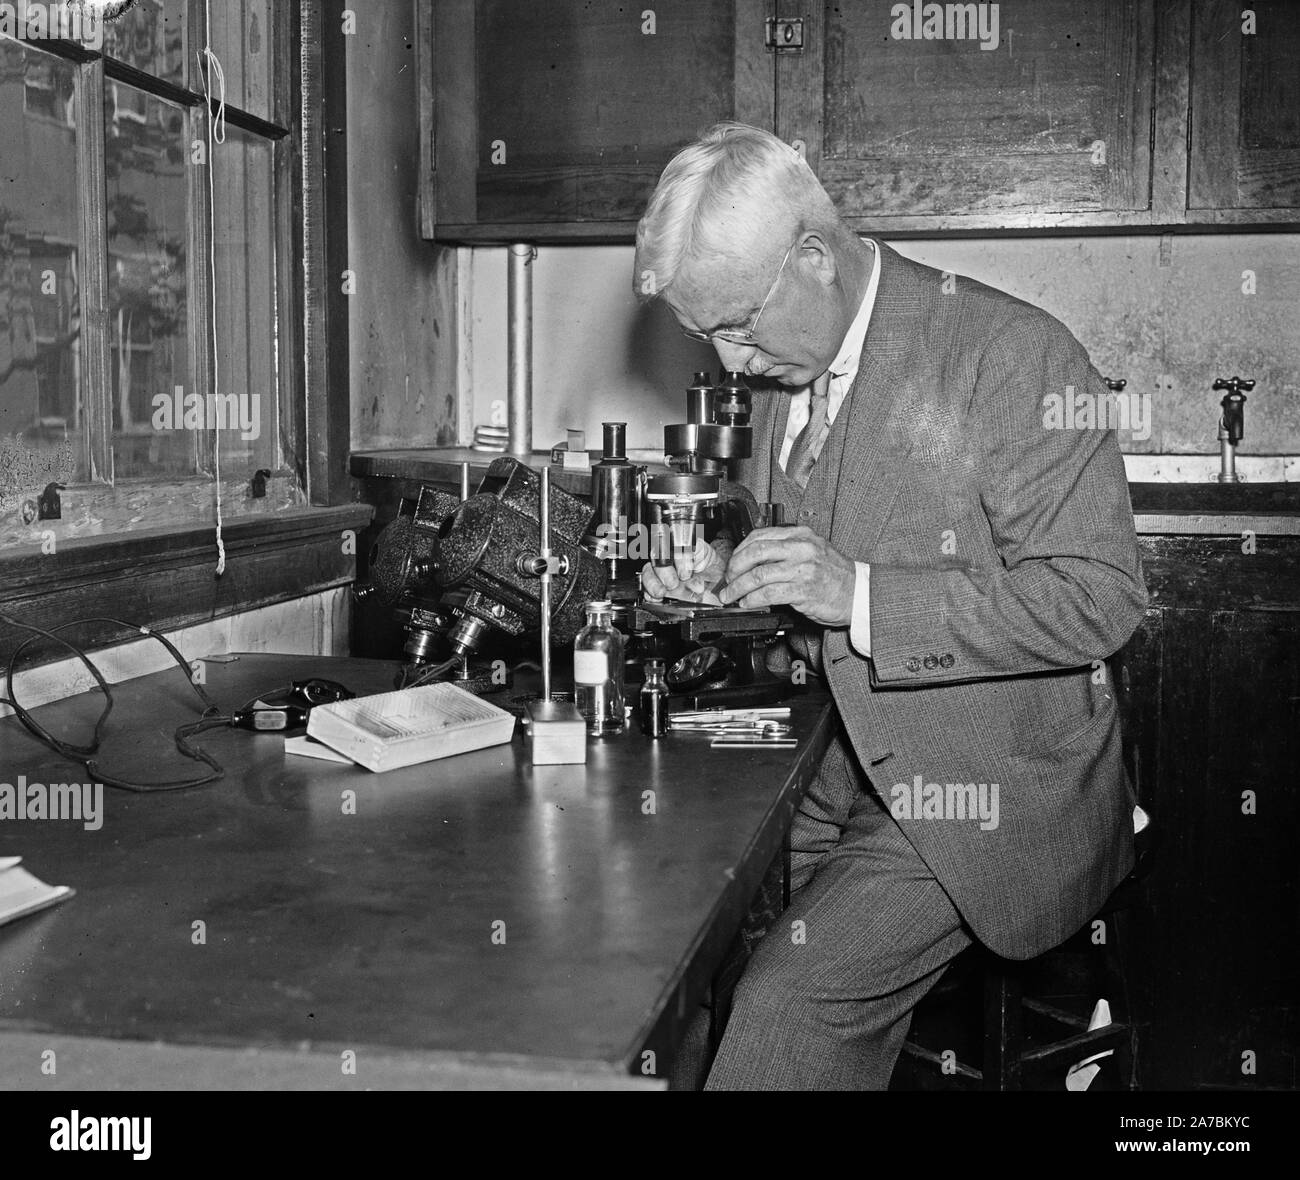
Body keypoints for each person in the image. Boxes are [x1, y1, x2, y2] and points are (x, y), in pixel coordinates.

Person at [633, 123, 1148, 1090]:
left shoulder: (1015, 355)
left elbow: (1100, 598)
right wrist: (726, 579)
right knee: (683, 928)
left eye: (737, 326)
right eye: (708, 337)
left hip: (990, 778)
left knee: (786, 1001)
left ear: (814, 259)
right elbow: (821, 553)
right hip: (845, 759)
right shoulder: (796, 370)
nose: (732, 365)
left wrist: (858, 594)